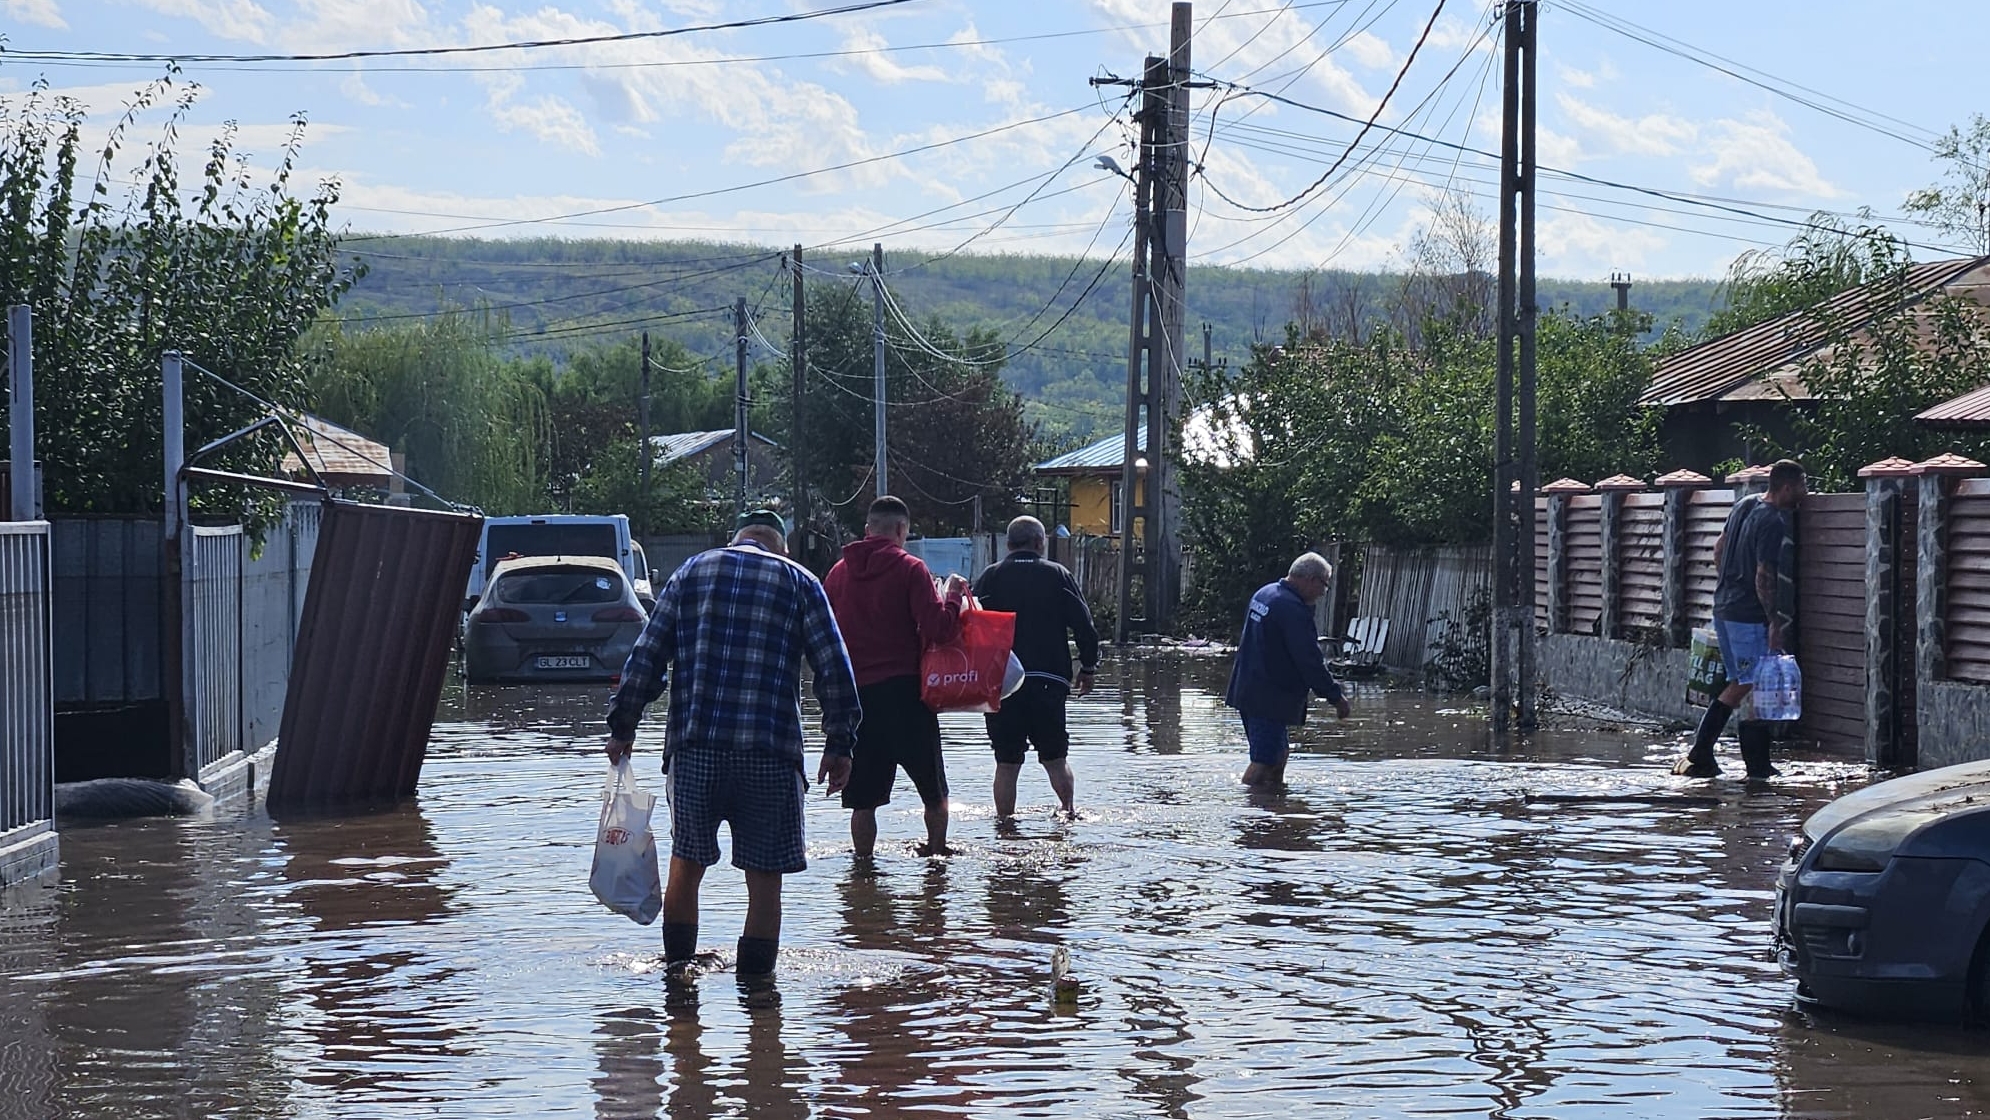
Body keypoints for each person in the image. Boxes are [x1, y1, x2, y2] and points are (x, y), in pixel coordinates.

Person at [603, 509, 861, 981]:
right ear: (781, 546)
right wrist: (840, 743)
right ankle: (759, 999)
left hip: (696, 751)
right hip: (770, 754)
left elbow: (647, 655)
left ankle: (678, 984)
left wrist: (624, 726)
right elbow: (834, 669)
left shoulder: (690, 573)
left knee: (687, 864)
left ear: (735, 537)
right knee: (764, 880)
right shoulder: (799, 581)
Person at [822, 495, 968, 859]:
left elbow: (825, 637)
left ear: (867, 529)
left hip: (858, 699)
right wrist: (953, 597)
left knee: (863, 801)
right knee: (934, 792)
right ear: (902, 529)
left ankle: (863, 869)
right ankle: (937, 861)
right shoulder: (911, 568)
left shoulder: (837, 574)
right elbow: (939, 629)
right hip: (906, 695)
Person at [1675, 459, 1807, 780]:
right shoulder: (1772, 521)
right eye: (1803, 485)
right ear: (1787, 487)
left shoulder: (1745, 504)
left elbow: (1718, 547)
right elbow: (1763, 575)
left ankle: (1732, 760)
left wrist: (1729, 584)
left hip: (1725, 608)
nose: (1806, 492)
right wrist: (1773, 621)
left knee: (1744, 681)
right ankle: (1722, 758)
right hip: (1747, 617)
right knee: (1750, 682)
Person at [972, 515, 1100, 818]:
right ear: (1040, 543)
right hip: (1048, 681)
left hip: (1002, 685)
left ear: (1009, 544)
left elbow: (969, 628)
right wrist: (1088, 667)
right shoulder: (1057, 575)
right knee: (1055, 758)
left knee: (1006, 763)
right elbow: (1085, 626)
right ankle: (1068, 816)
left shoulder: (990, 577)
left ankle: (1004, 827)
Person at [1225, 552, 1351, 790]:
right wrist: (1336, 697)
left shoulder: (1266, 593)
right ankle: (1247, 807)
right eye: (1324, 586)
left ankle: (1274, 806)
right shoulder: (1292, 609)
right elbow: (1309, 661)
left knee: (1279, 754)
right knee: (1264, 760)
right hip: (1267, 697)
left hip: (1249, 688)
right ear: (1311, 579)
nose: (1323, 593)